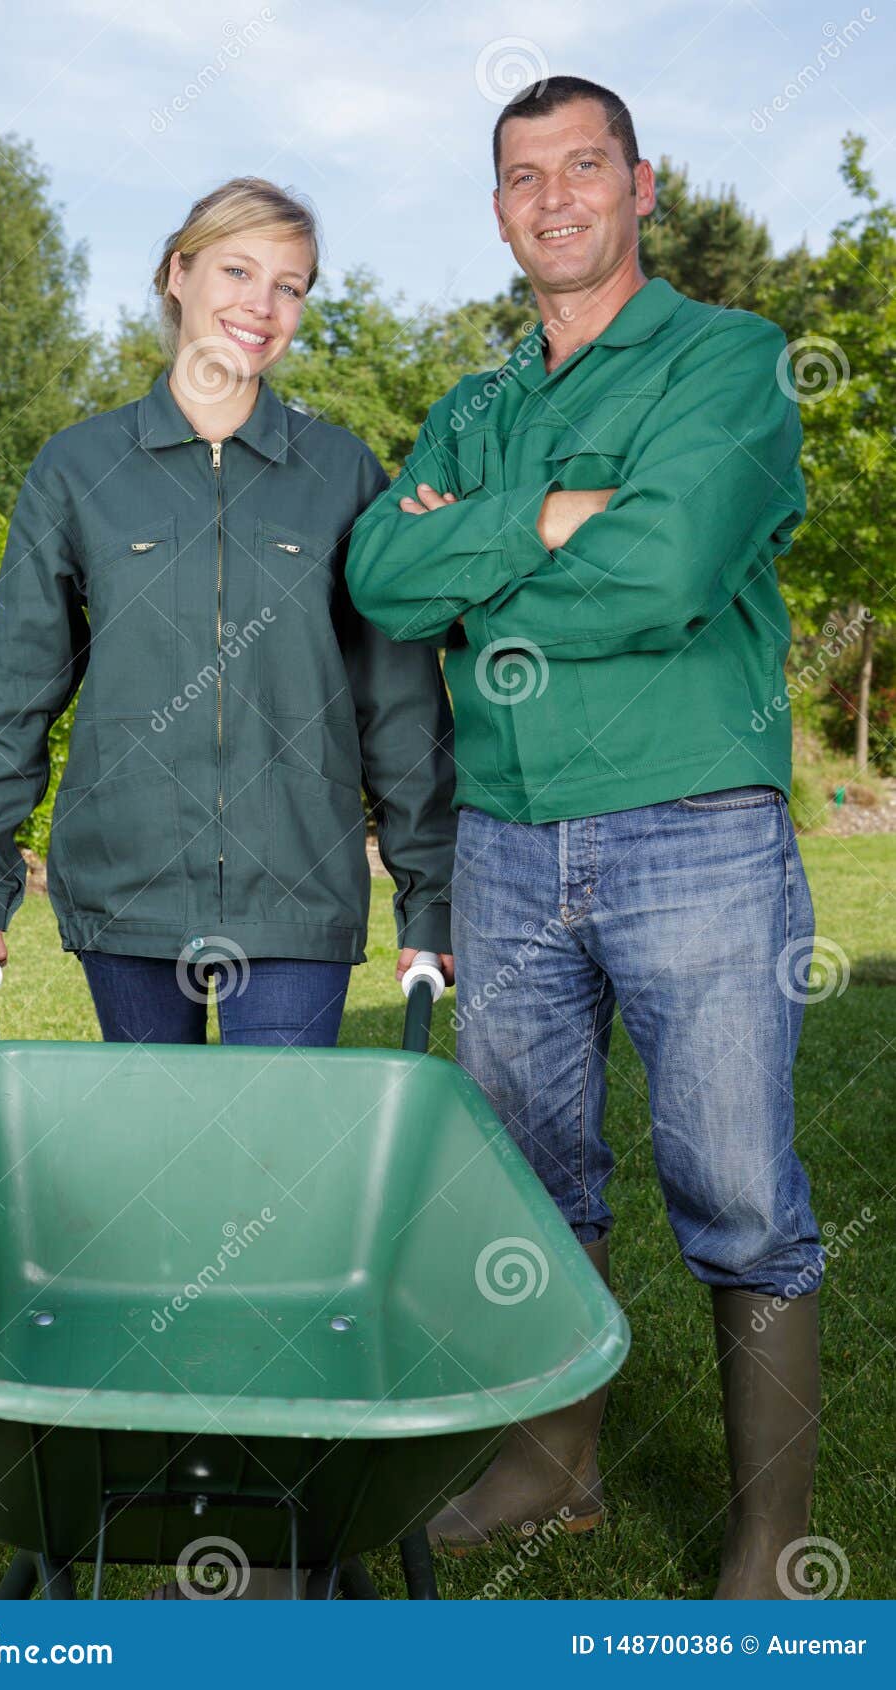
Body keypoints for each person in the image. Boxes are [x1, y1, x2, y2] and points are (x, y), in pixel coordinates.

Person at [346, 77, 822, 1600]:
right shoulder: (478, 403)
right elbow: (380, 573)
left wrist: (480, 545)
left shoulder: (726, 357)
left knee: (735, 1189)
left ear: (639, 184)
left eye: (582, 165)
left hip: (694, 826)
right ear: (497, 209)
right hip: (504, 838)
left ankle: (765, 1540)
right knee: (527, 1172)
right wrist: (556, 513)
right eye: (521, 175)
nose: (552, 197)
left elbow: (667, 571)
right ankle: (552, 1464)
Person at [0, 176, 456, 1057]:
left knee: (274, 1137)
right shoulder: (76, 468)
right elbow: (16, 692)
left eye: (289, 286)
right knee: (153, 1139)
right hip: (126, 885)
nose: (262, 306)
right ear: (178, 274)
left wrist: (431, 896)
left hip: (297, 894)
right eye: (237, 271)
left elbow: (399, 706)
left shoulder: (342, 472)